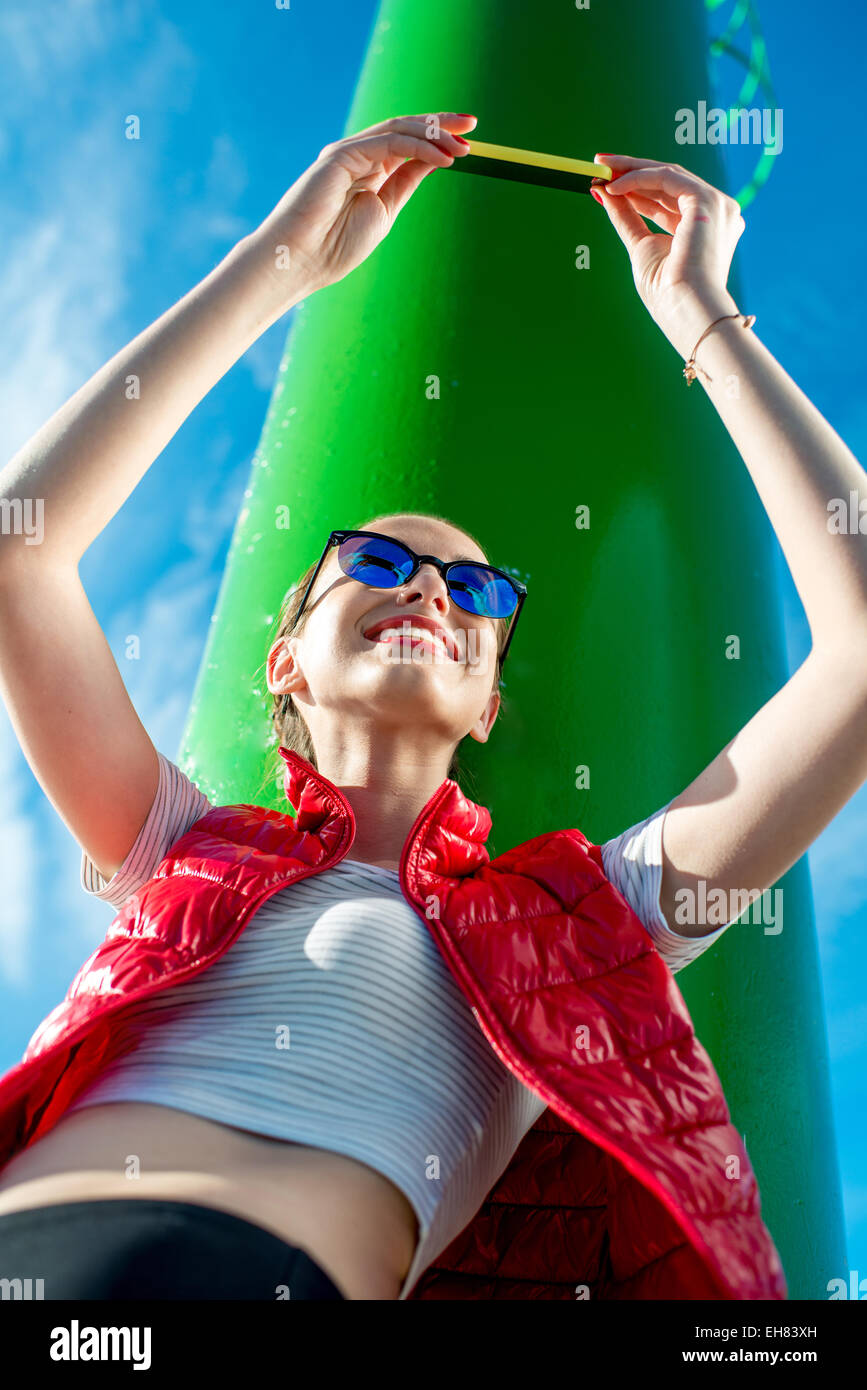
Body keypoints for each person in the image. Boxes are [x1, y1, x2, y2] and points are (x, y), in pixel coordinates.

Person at [0, 112, 864, 1302]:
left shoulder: (590, 921)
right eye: (373, 561)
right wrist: (282, 263)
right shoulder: (177, 849)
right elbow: (19, 552)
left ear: (488, 705)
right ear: (285, 662)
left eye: (473, 589)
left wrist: (704, 320)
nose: (423, 588)